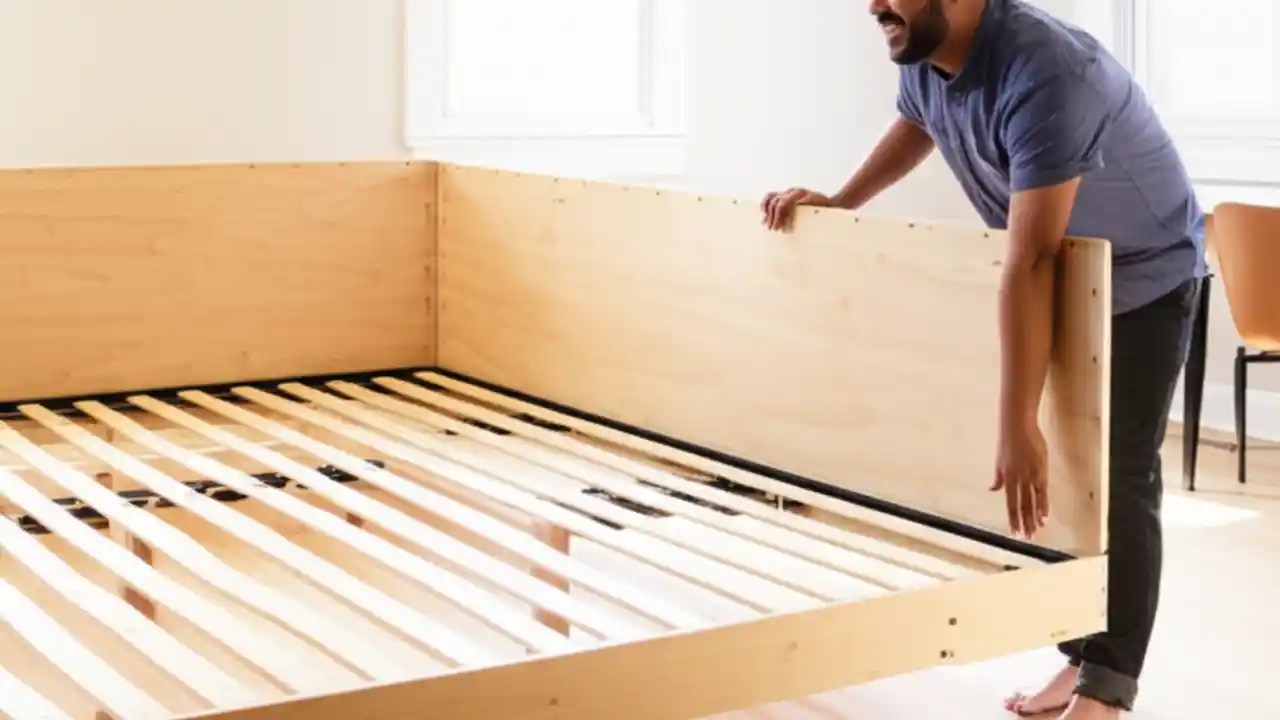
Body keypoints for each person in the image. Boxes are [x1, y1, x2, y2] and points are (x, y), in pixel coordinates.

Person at [761, 1, 1205, 718]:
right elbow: (917, 123)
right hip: (1068, 273)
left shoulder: (1048, 71)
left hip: (1146, 274)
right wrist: (844, 200)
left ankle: (1109, 689)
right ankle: (1080, 660)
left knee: (1119, 477)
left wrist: (1016, 421)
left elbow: (1026, 261)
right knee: (1067, 476)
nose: (875, 4)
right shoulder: (929, 55)